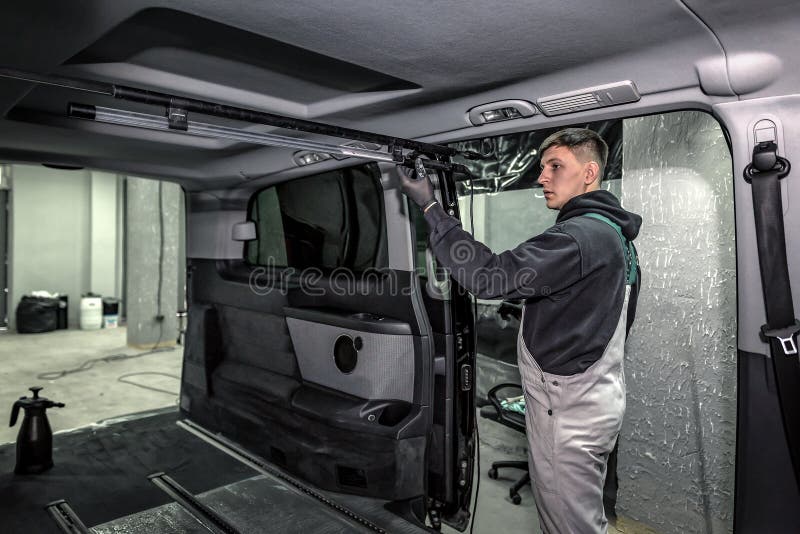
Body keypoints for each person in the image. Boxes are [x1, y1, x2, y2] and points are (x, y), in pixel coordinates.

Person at [398, 128, 642, 534]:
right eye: (542, 167)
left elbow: (488, 277)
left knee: (569, 526)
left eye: (556, 166)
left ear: (590, 172)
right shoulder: (614, 235)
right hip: (595, 399)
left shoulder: (578, 237)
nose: (542, 177)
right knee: (583, 518)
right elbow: (599, 306)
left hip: (567, 412)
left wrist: (430, 208)